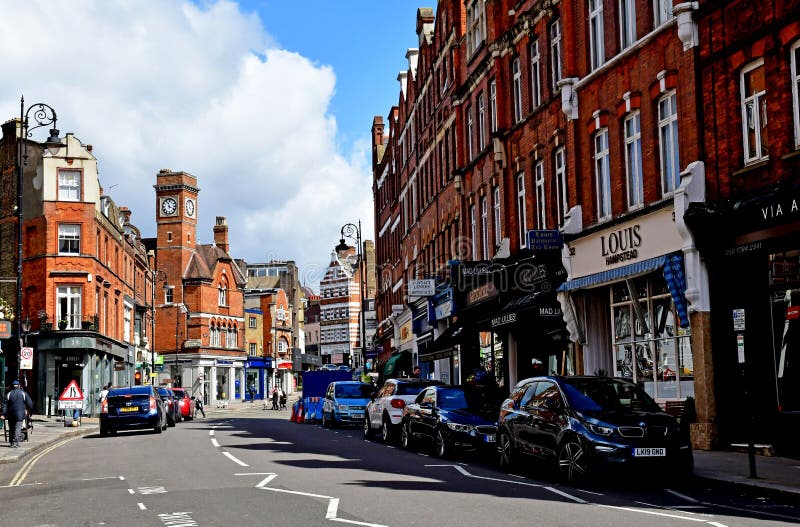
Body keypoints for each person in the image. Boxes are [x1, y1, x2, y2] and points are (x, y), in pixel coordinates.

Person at [1, 380, 33, 448]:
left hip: (11, 414)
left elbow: (4, 405)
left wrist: (3, 414)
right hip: (20, 414)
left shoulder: (8, 394)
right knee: (18, 428)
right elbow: (30, 404)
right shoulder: (24, 394)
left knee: (11, 428)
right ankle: (15, 443)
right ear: (19, 386)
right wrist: (29, 412)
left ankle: (12, 442)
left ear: (12, 386)